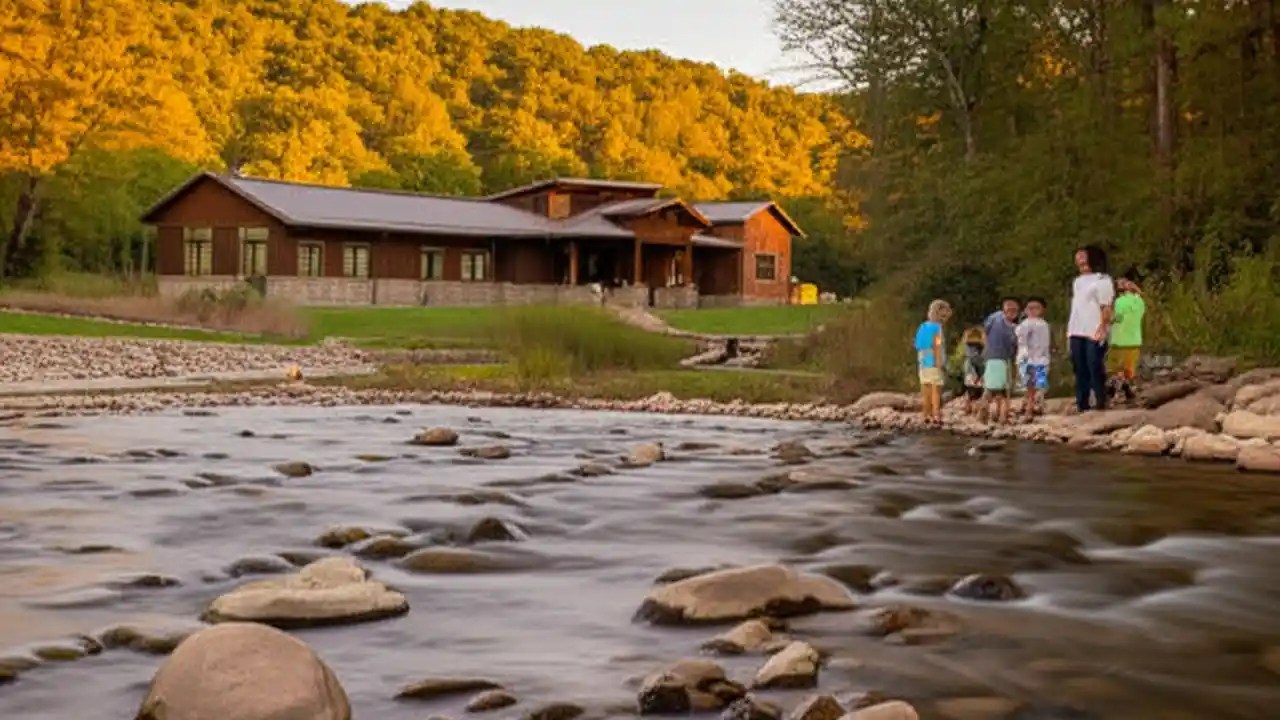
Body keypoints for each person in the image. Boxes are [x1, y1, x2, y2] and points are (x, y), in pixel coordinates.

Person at [1068, 245, 1115, 412]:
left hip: (1094, 328)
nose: (1079, 258)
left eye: (1083, 255)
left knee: (1094, 364)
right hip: (1076, 329)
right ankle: (1082, 403)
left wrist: (1104, 326)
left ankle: (1101, 400)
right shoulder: (1078, 281)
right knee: (1079, 367)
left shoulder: (1103, 280)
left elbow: (1106, 306)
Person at [980, 297, 1021, 424]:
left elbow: (984, 333)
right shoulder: (1007, 325)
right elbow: (984, 333)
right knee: (1003, 390)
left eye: (1014, 309)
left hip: (995, 358)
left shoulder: (998, 319)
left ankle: (989, 413)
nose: (1012, 311)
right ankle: (1001, 416)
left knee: (991, 388)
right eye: (1010, 307)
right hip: (1000, 359)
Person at [1107, 275, 1146, 402]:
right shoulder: (1139, 302)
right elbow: (1141, 297)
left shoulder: (1119, 302)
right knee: (1129, 370)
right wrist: (1137, 289)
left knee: (1116, 369)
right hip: (1134, 340)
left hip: (1119, 340)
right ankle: (1127, 390)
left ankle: (1116, 391)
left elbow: (1116, 318)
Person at [914, 299, 952, 425]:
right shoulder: (937, 328)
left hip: (923, 363)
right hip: (934, 363)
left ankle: (926, 414)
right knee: (936, 391)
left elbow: (918, 345)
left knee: (926, 390)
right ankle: (936, 415)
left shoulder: (923, 326)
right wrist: (939, 362)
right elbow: (936, 345)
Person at [1016, 297, 1052, 420]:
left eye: (1037, 308)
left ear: (1042, 310)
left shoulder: (1044, 324)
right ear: (1025, 310)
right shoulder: (1025, 324)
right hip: (1028, 359)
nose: (1033, 311)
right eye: (1030, 308)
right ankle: (1029, 409)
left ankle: (1034, 406)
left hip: (1041, 359)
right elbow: (1021, 340)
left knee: (1039, 386)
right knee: (1029, 386)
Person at [959, 327, 986, 415]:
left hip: (970, 372)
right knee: (977, 393)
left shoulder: (967, 346)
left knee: (970, 392)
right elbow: (982, 360)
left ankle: (968, 409)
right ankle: (974, 410)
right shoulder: (981, 347)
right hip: (978, 371)